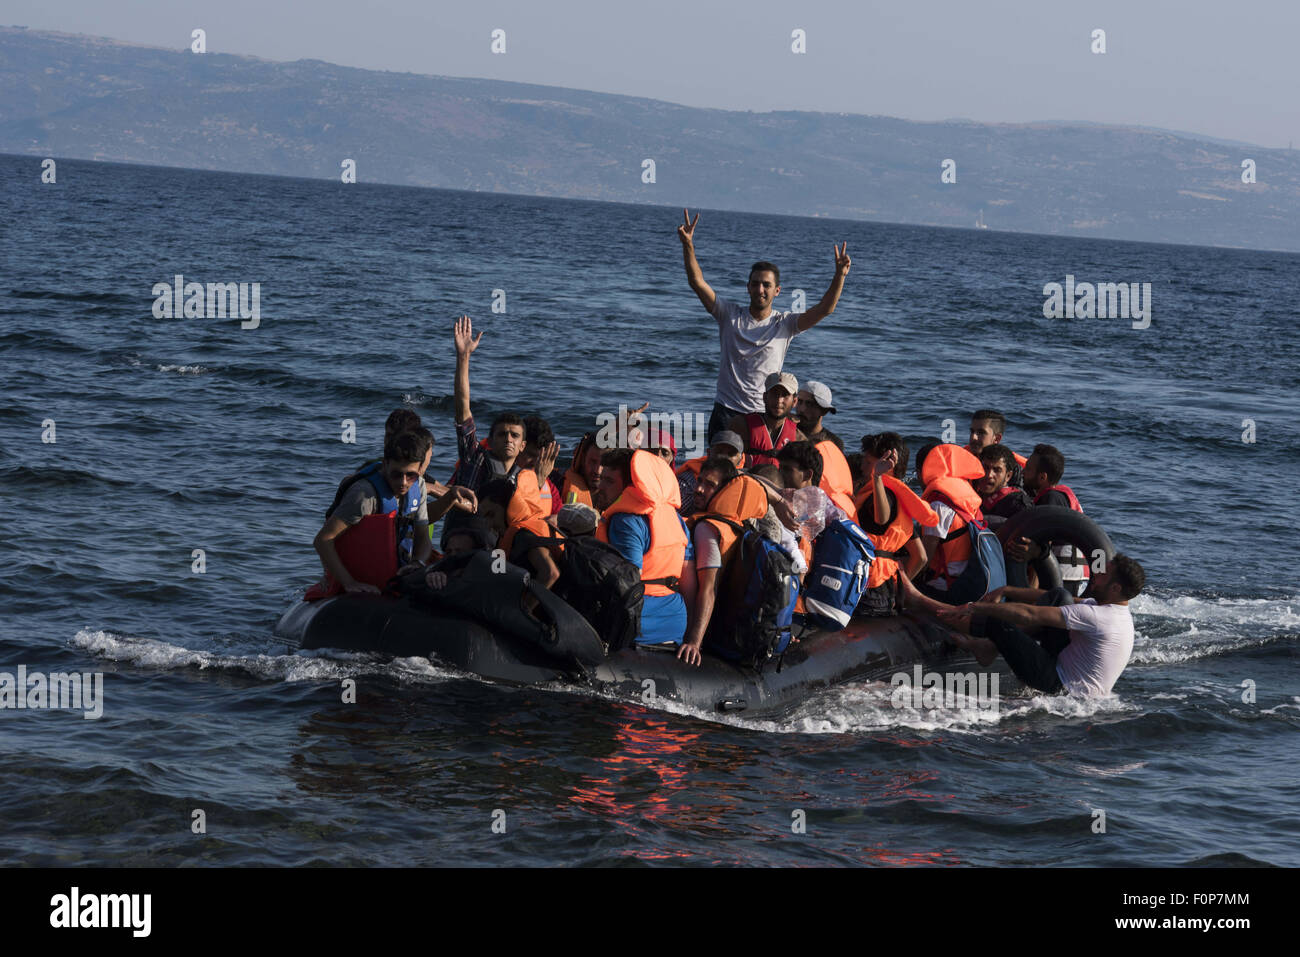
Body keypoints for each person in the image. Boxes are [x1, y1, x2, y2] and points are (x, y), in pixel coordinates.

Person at [677, 208, 851, 438]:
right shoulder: (728, 315)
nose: (760, 289)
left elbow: (824, 309)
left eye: (766, 285)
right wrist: (688, 244)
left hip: (763, 415)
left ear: (777, 291)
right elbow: (697, 282)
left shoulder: (785, 324)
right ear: (748, 287)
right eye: (756, 284)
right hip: (725, 412)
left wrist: (840, 275)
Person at [909, 554, 1147, 697]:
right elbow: (1054, 598)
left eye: (1103, 575)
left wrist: (973, 607)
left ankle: (918, 601)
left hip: (1060, 688)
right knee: (1059, 595)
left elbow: (1030, 614)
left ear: (1115, 588)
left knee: (998, 619)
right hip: (1067, 676)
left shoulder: (1097, 618)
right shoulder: (1113, 610)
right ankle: (988, 648)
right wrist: (1007, 590)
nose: (1096, 576)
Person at [310, 430, 474, 597]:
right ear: (385, 464)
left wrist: (418, 563)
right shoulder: (365, 496)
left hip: (396, 575)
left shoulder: (419, 488)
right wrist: (350, 583)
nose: (403, 482)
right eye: (396, 474)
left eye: (411, 475)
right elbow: (323, 540)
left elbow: (423, 537)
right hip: (357, 577)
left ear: (420, 469)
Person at [594, 448, 694, 647]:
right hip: (675, 624)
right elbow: (689, 583)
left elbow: (628, 583)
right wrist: (691, 637)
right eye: (601, 478)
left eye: (609, 481)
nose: (600, 487)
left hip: (639, 626)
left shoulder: (626, 521)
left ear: (631, 486)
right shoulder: (675, 518)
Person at [678, 462, 770, 665]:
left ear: (724, 490)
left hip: (712, 629)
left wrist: (694, 642)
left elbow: (709, 589)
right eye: (699, 481)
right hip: (731, 624)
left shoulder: (708, 529)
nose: (699, 489)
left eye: (710, 484)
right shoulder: (739, 523)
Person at [855, 433, 936, 615]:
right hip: (883, 587)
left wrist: (876, 477)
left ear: (887, 465)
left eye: (868, 462)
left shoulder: (885, 496)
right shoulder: (901, 501)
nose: (862, 466)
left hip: (869, 586)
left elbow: (881, 519)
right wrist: (897, 585)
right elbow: (920, 557)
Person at [451, 315, 525, 496]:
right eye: (502, 434)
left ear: (522, 446)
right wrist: (463, 357)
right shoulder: (474, 457)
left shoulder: (522, 480)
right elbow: (463, 408)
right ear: (490, 441)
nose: (508, 439)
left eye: (514, 435)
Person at [1011, 444, 1090, 595]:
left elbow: (1043, 542)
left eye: (1027, 469)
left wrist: (1031, 591)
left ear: (1042, 477)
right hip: (1074, 574)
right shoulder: (1061, 495)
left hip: (1061, 576)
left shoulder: (1050, 497)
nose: (1023, 473)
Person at [916, 443, 990, 604]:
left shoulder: (937, 504)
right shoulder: (965, 493)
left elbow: (923, 559)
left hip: (944, 585)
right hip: (968, 578)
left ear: (922, 471)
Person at [481, 471, 564, 590]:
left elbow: (551, 574)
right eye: (485, 518)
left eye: (492, 514)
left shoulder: (525, 536)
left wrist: (526, 606)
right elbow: (497, 574)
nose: (489, 524)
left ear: (507, 506)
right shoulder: (506, 536)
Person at [794, 380, 855, 516]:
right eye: (800, 402)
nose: (801, 409)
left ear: (824, 410)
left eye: (809, 404)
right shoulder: (785, 431)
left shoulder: (834, 443)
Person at [726, 371, 806, 468]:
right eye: (774, 394)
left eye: (785, 395)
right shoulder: (741, 426)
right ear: (764, 397)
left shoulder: (799, 439)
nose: (779, 400)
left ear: (794, 401)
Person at [675, 430, 745, 515]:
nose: (724, 457)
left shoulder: (744, 485)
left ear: (740, 459)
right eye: (719, 451)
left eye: (730, 454)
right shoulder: (687, 482)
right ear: (708, 453)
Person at [977, 443, 1032, 530]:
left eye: (997, 470)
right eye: (985, 467)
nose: (989, 475)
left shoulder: (1018, 504)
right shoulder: (973, 495)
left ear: (1008, 476)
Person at [966, 409, 1027, 488]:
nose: (973, 437)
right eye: (972, 431)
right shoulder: (959, 458)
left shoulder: (1013, 468)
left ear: (997, 439)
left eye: (981, 433)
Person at [559, 432, 602, 508]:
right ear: (583, 460)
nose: (597, 471)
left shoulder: (622, 491)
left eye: (604, 463)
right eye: (592, 461)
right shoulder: (558, 483)